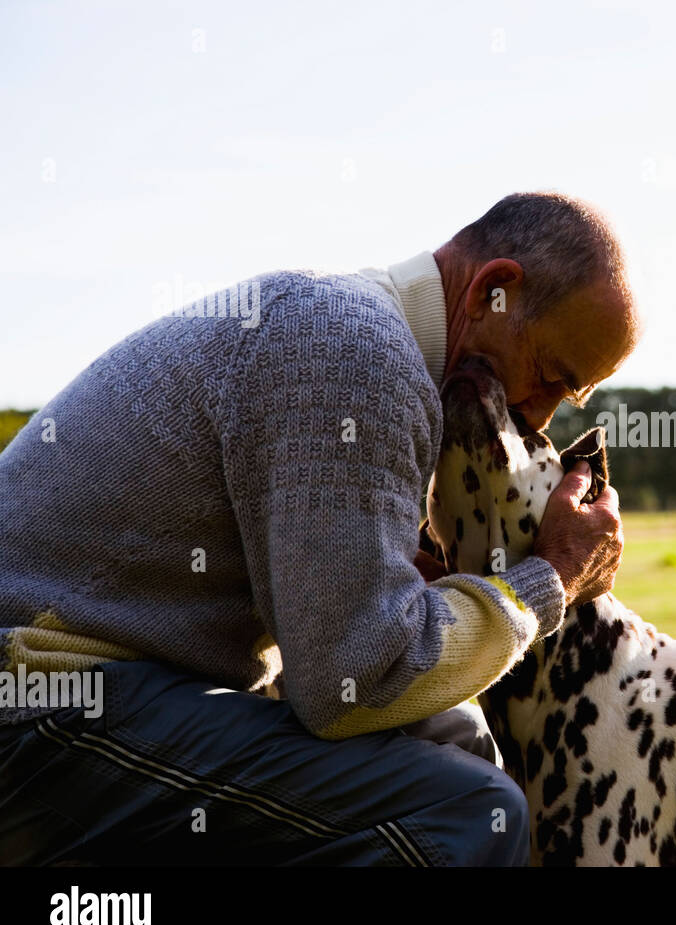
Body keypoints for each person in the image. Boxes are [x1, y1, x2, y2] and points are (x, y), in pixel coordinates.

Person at [0, 192, 639, 865]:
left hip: (91, 697)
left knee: (455, 736)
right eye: (549, 378)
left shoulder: (347, 332)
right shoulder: (354, 353)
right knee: (469, 812)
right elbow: (353, 684)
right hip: (38, 701)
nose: (536, 418)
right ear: (494, 291)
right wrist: (553, 579)